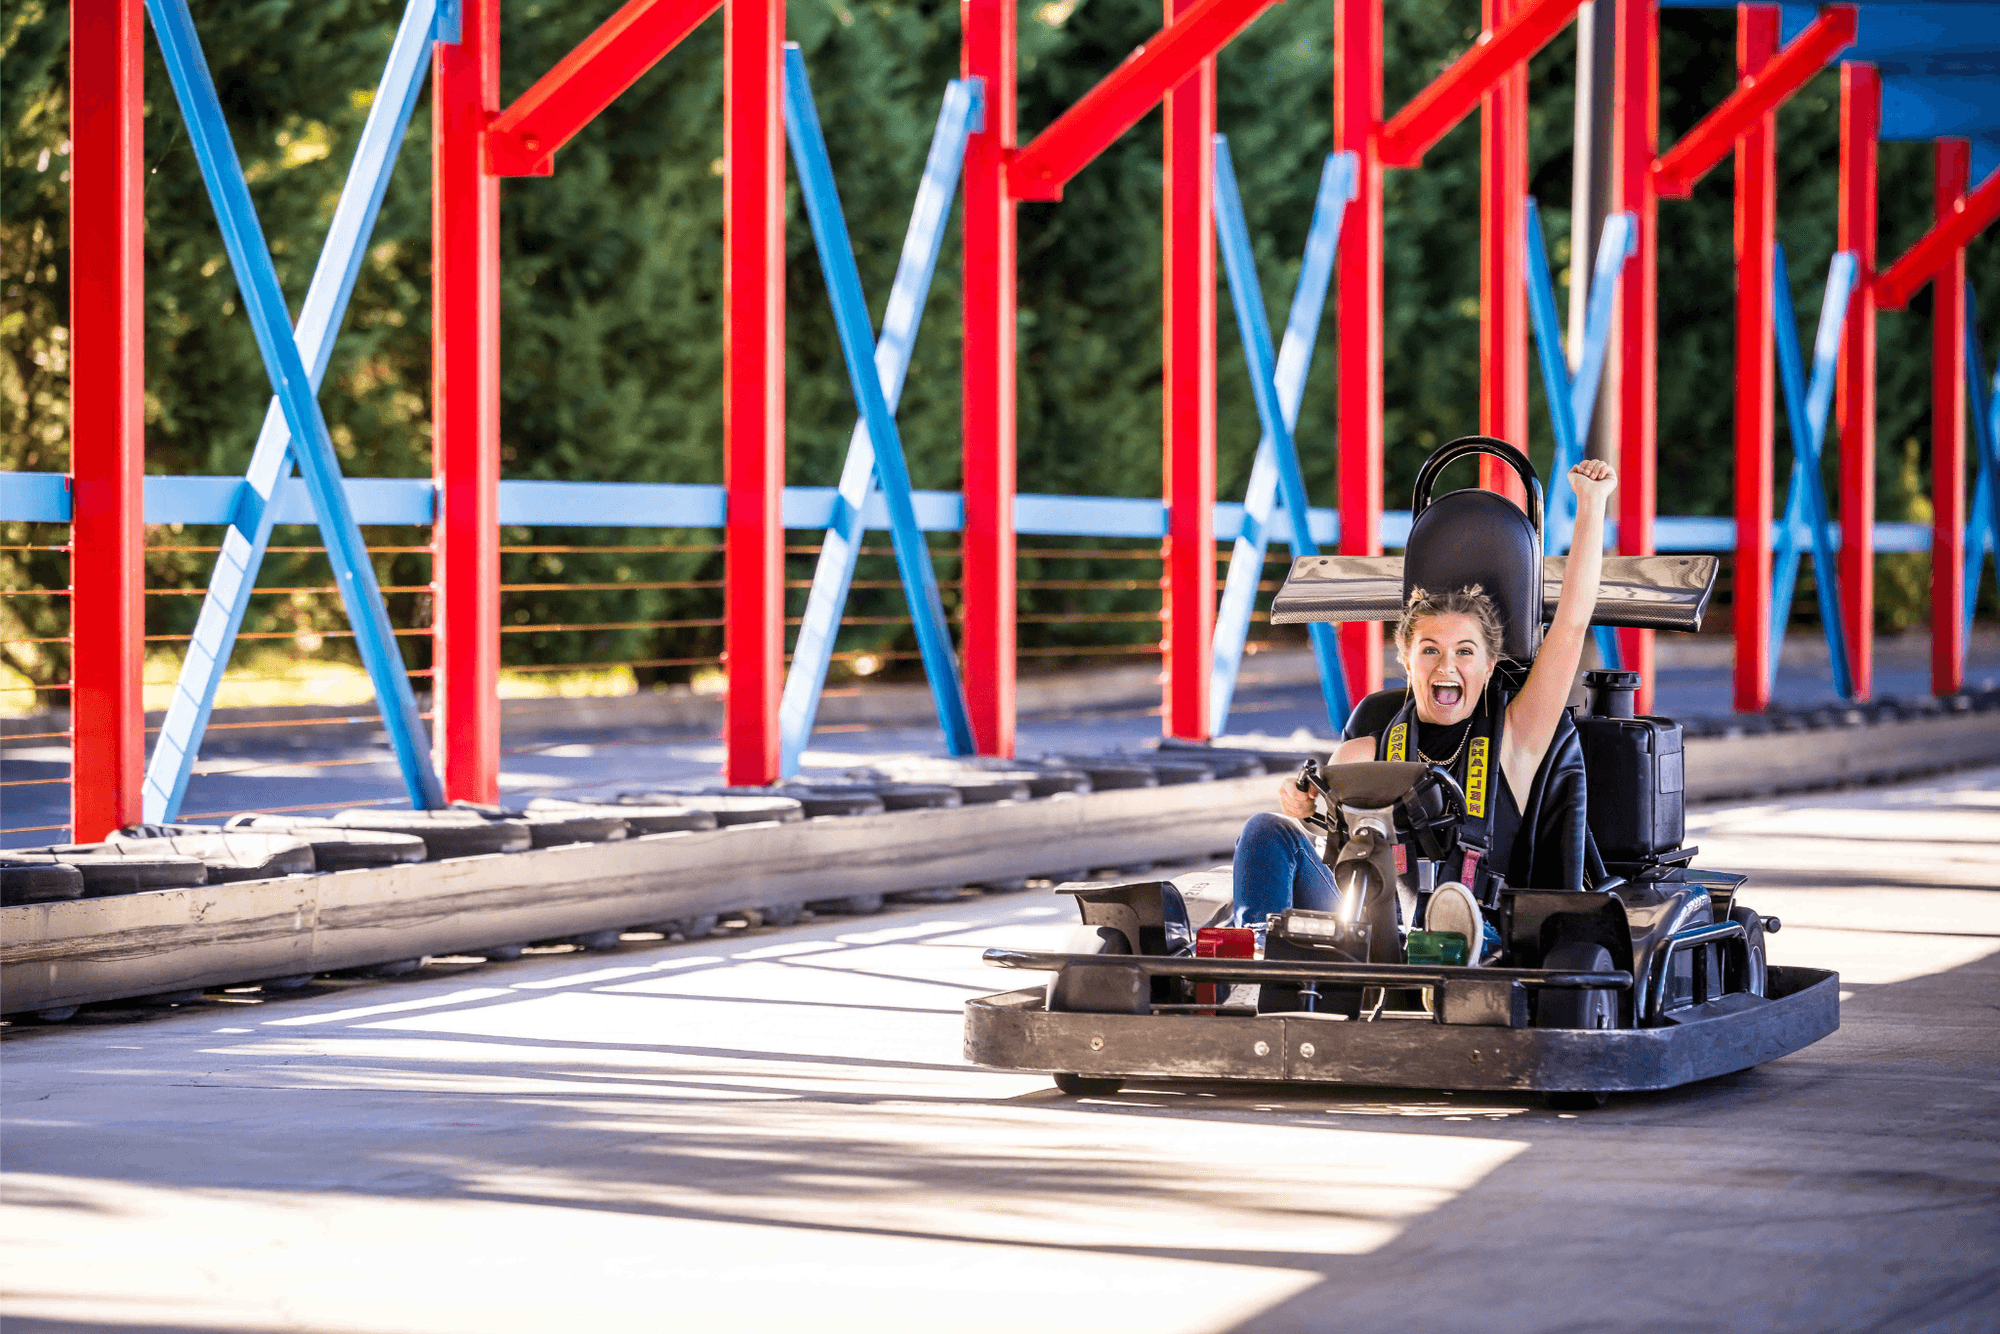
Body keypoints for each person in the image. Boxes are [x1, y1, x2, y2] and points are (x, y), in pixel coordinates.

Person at [1233, 458, 1619, 951]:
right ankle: (1256, 955)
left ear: (1488, 664)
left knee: (1447, 917)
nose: (1446, 666)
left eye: (1465, 652)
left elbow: (1569, 624)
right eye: (1430, 650)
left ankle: (1437, 931)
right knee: (1266, 829)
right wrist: (1302, 801)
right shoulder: (1363, 752)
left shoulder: (1518, 737)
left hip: (1475, 937)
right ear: (1407, 660)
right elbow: (1329, 849)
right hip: (1363, 931)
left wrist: (1591, 505)